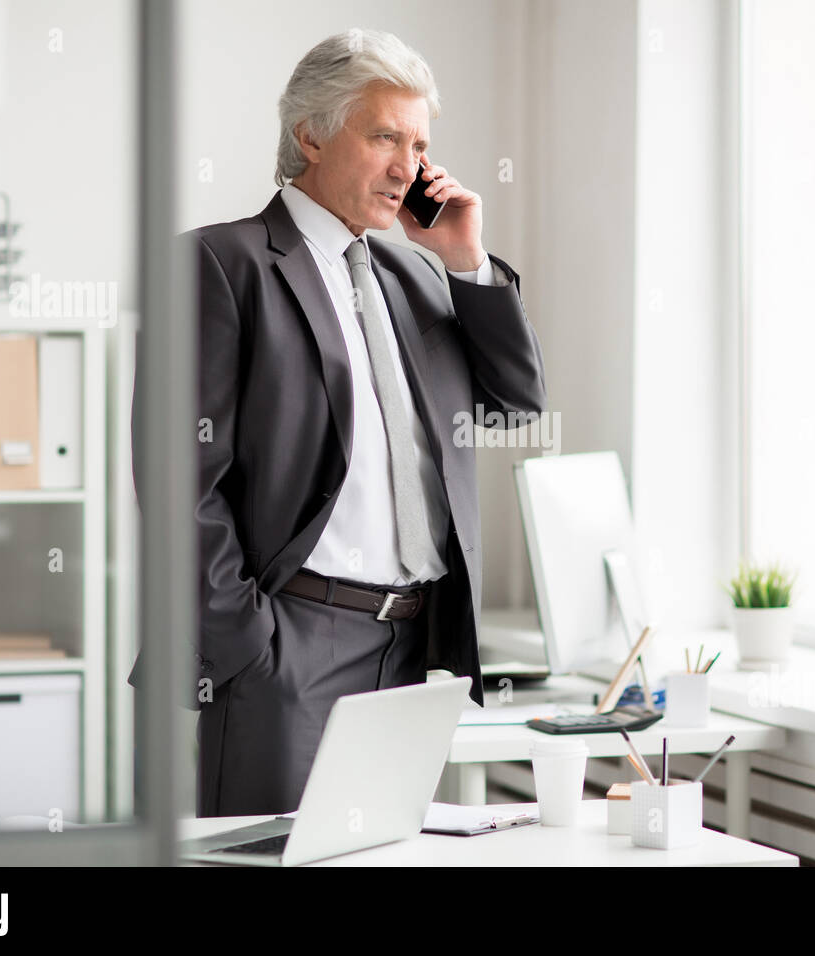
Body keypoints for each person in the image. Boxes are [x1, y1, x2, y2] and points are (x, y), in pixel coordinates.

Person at [128, 28, 547, 817]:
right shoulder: (222, 264)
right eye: (384, 134)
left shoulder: (415, 278)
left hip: (413, 651)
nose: (407, 166)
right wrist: (250, 650)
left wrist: (467, 263)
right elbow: (181, 484)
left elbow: (516, 406)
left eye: (419, 143)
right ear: (310, 135)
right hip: (290, 646)